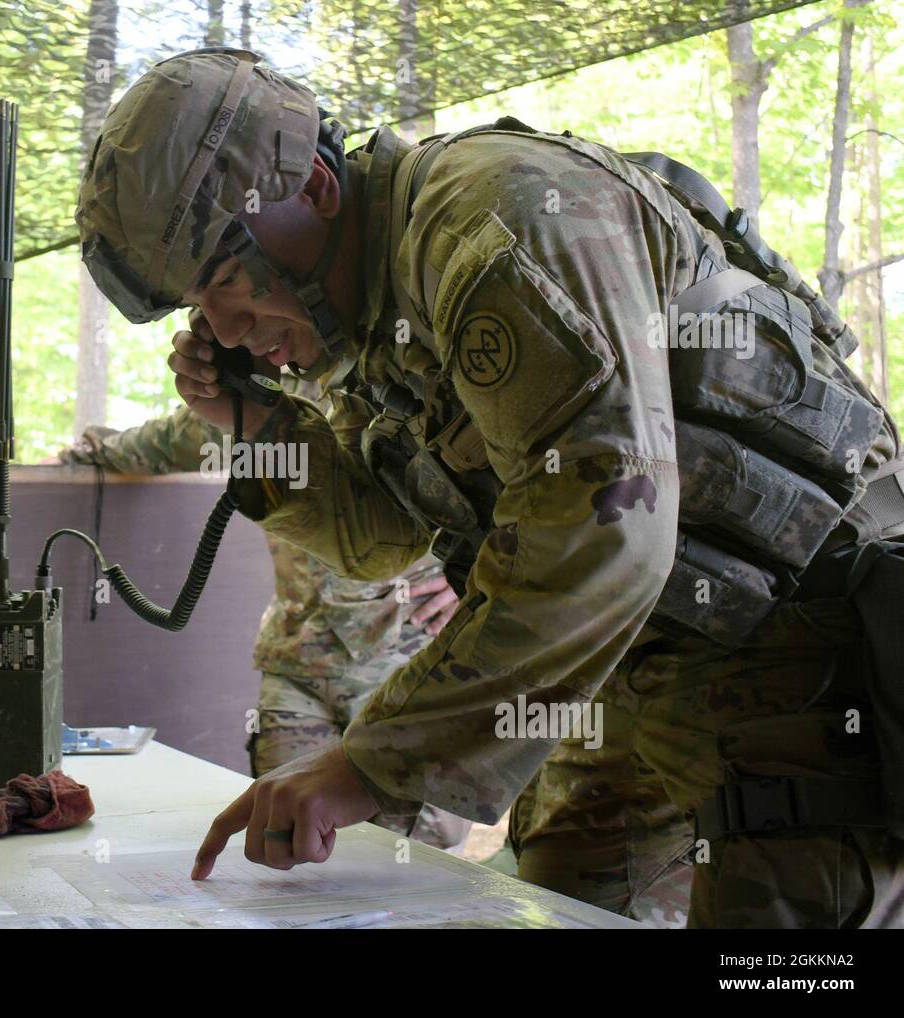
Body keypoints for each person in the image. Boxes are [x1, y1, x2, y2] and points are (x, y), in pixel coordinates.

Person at [74, 47, 904, 928]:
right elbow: (383, 540)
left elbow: (601, 529)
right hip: (622, 661)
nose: (227, 331)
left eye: (227, 285)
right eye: (200, 310)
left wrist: (368, 765)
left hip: (796, 650)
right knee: (558, 903)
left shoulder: (491, 225)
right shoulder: (367, 322)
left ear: (314, 186)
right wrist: (257, 426)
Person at [58, 386, 473, 851]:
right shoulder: (263, 404)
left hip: (413, 663)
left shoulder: (414, 386)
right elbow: (172, 438)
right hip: (298, 665)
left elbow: (523, 487)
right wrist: (93, 449)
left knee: (421, 854)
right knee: (288, 833)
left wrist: (478, 577)